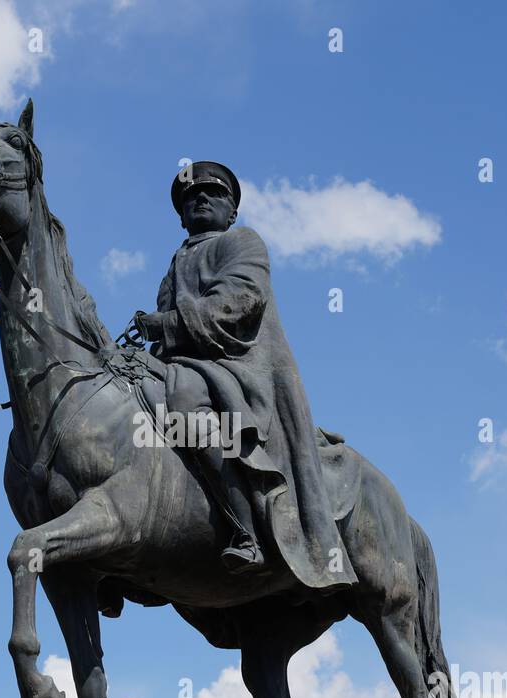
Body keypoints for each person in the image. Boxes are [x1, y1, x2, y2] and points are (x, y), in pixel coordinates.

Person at [124, 161, 357, 591]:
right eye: (191, 197)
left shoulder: (242, 242)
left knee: (186, 400)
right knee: (134, 394)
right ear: (180, 215)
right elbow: (169, 337)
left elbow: (239, 300)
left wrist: (167, 324)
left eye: (213, 194)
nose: (201, 199)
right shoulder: (174, 263)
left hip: (241, 366)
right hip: (189, 363)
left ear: (232, 211)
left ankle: (244, 527)